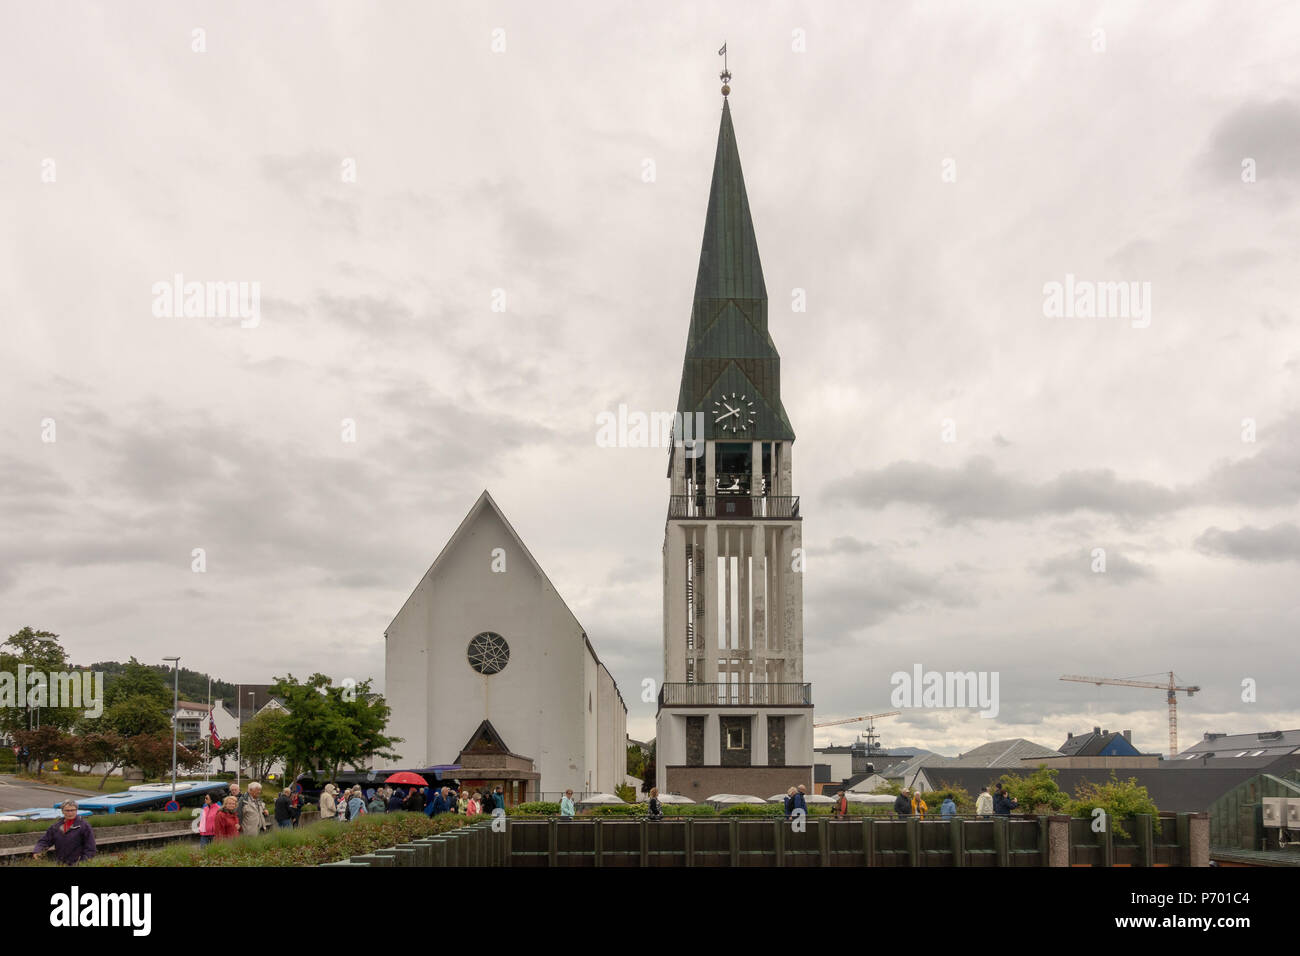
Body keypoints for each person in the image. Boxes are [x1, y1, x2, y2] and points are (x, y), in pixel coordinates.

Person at [33, 801, 95, 865]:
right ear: (62, 811)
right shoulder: (55, 827)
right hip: (60, 863)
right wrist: (38, 850)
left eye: (72, 810)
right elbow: (45, 841)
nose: (70, 813)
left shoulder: (84, 826)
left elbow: (90, 847)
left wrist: (83, 862)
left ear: (76, 811)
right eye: (67, 810)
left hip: (78, 863)